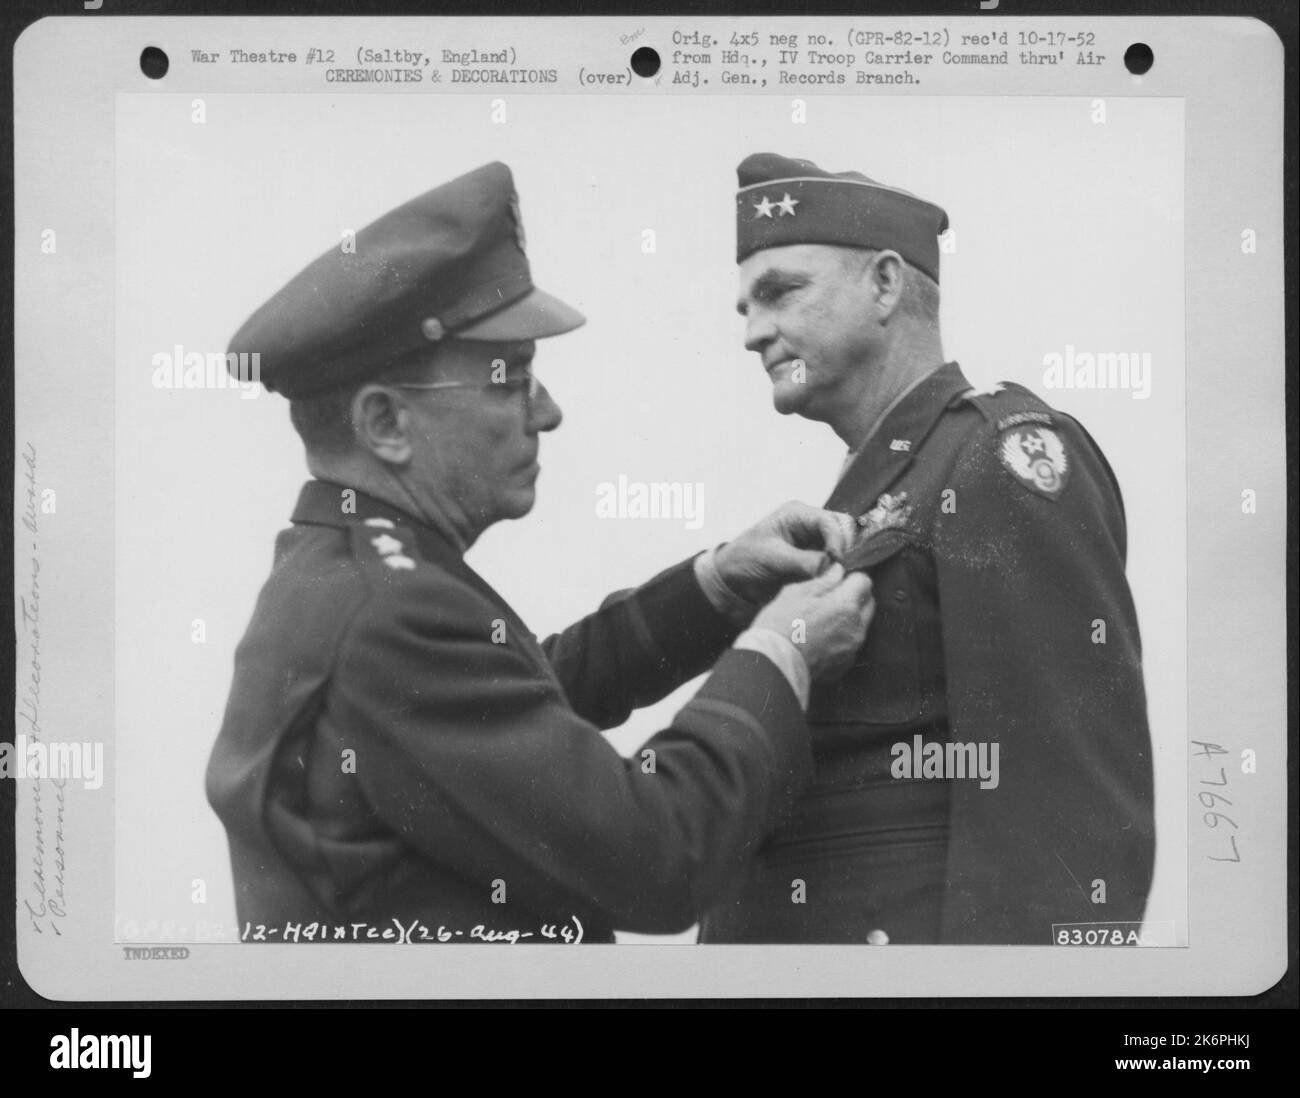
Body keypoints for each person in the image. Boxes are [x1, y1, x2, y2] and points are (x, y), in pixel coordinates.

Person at [205, 161, 875, 944]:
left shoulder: (345, 574)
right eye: (509, 379)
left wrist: (716, 589)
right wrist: (777, 654)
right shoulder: (393, 613)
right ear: (385, 422)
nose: (547, 412)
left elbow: (515, 700)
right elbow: (657, 859)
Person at [701, 152, 1156, 945]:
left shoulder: (997, 459)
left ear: (884, 284)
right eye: (745, 305)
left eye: (780, 292)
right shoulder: (872, 492)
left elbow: (1065, 810)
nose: (753, 333)